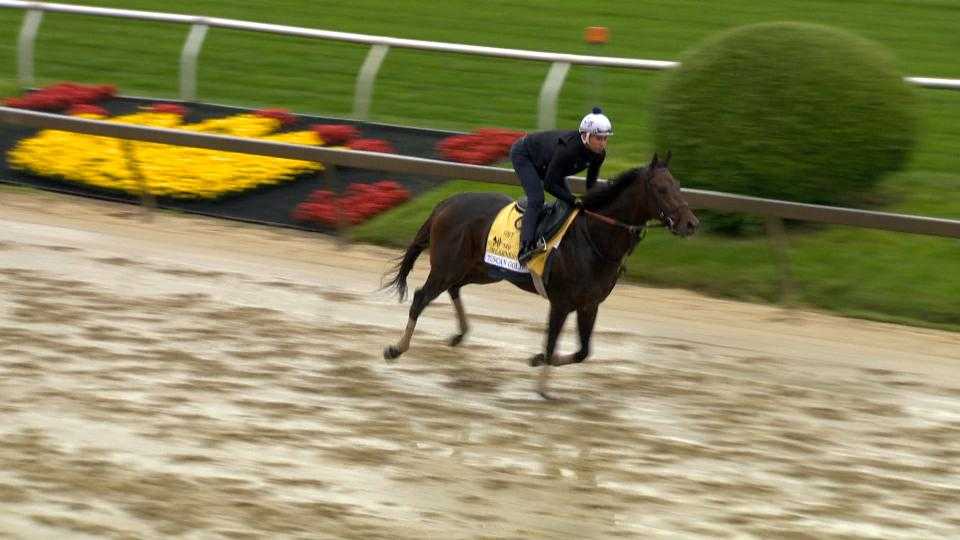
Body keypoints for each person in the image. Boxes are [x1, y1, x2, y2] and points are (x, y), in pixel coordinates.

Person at [510, 107, 611, 264]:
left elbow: (591, 183)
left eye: (605, 138)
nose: (602, 143)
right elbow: (549, 184)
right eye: (598, 138)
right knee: (537, 200)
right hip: (525, 156)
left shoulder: (599, 155)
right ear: (585, 136)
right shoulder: (568, 150)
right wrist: (573, 199)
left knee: (569, 206)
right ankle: (525, 247)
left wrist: (594, 201)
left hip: (549, 164)